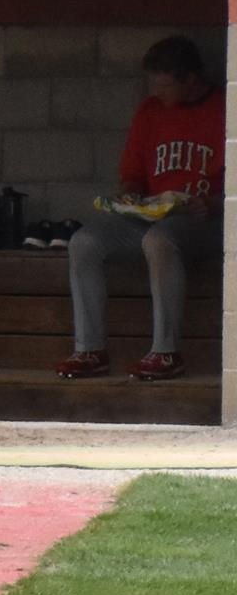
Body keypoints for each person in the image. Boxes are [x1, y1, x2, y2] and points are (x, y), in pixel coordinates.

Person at [57, 35, 224, 382]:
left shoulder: (224, 107)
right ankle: (90, 349)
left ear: (190, 79)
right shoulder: (150, 111)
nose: (156, 92)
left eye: (164, 85)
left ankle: (165, 352)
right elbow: (132, 175)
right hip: (153, 216)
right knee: (84, 242)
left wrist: (213, 203)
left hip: (205, 222)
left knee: (160, 240)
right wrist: (128, 197)